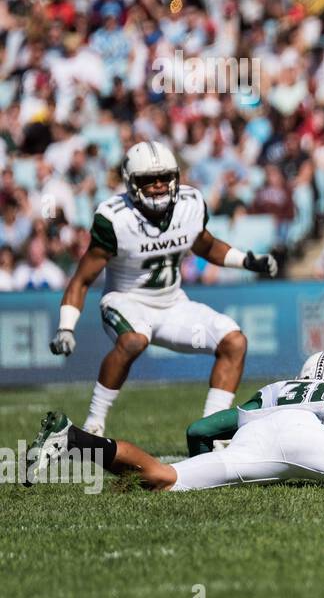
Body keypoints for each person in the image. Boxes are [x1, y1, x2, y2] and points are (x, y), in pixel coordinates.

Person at [49, 142, 278, 436]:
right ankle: (94, 422)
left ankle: (210, 431)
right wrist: (66, 327)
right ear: (132, 182)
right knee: (135, 339)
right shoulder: (116, 218)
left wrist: (247, 260)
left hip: (172, 305)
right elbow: (81, 279)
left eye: (164, 178)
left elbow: (206, 246)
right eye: (148, 180)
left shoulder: (190, 204)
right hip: (125, 300)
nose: (158, 186)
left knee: (234, 341)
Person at [26, 352, 324, 492]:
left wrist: (211, 467)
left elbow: (201, 430)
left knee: (165, 478)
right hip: (308, 437)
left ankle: (74, 437)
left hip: (254, 439)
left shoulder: (276, 389)